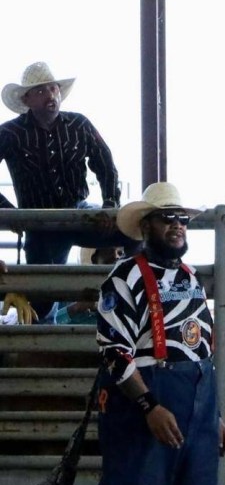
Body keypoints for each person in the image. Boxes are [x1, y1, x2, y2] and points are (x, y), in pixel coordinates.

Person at [44, 182, 225, 485]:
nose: (177, 226)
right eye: (167, 218)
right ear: (145, 226)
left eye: (182, 219)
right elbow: (114, 351)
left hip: (197, 400)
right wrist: (148, 405)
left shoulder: (191, 278)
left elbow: (201, 347)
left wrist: (215, 413)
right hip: (145, 400)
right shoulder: (124, 278)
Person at [0, 62, 138, 316]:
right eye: (41, 91)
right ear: (27, 99)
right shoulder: (9, 133)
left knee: (135, 233)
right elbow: (104, 164)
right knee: (42, 300)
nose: (51, 95)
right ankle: (39, 343)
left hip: (77, 213)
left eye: (53, 89)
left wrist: (109, 205)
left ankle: (134, 299)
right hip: (38, 222)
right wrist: (8, 212)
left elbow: (105, 163)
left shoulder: (79, 124)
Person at [44, 245, 127, 324]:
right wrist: (76, 308)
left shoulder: (128, 294)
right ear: (94, 258)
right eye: (110, 251)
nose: (116, 256)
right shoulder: (68, 292)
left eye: (120, 253)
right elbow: (44, 325)